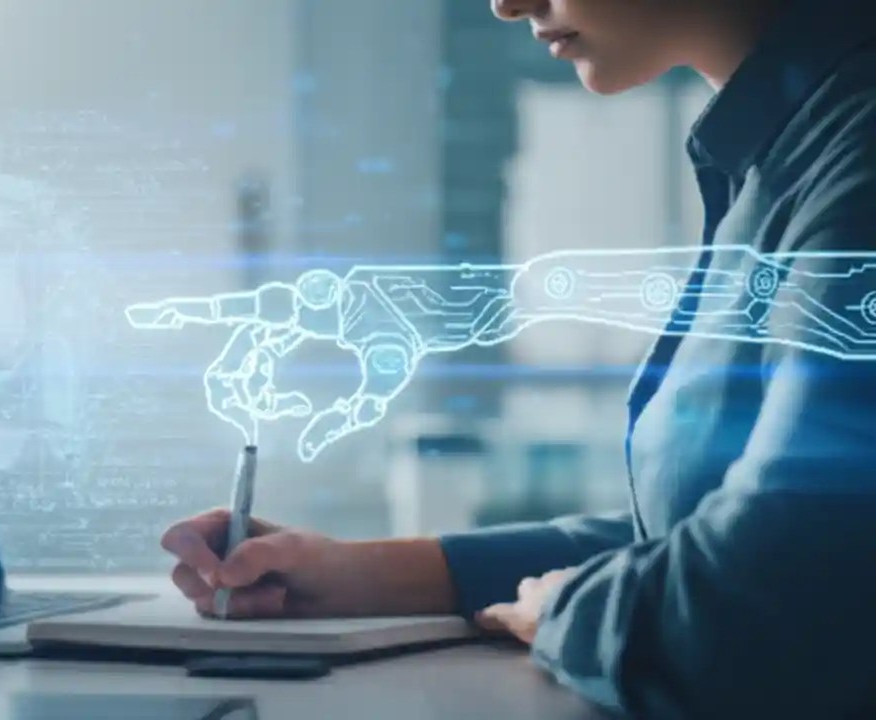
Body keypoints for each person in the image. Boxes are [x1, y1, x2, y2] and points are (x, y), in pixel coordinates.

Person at [161, 0, 876, 715]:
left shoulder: (858, 158)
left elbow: (768, 602)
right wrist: (362, 572)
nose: (507, 4)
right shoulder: (796, 145)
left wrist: (570, 609)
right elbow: (707, 532)